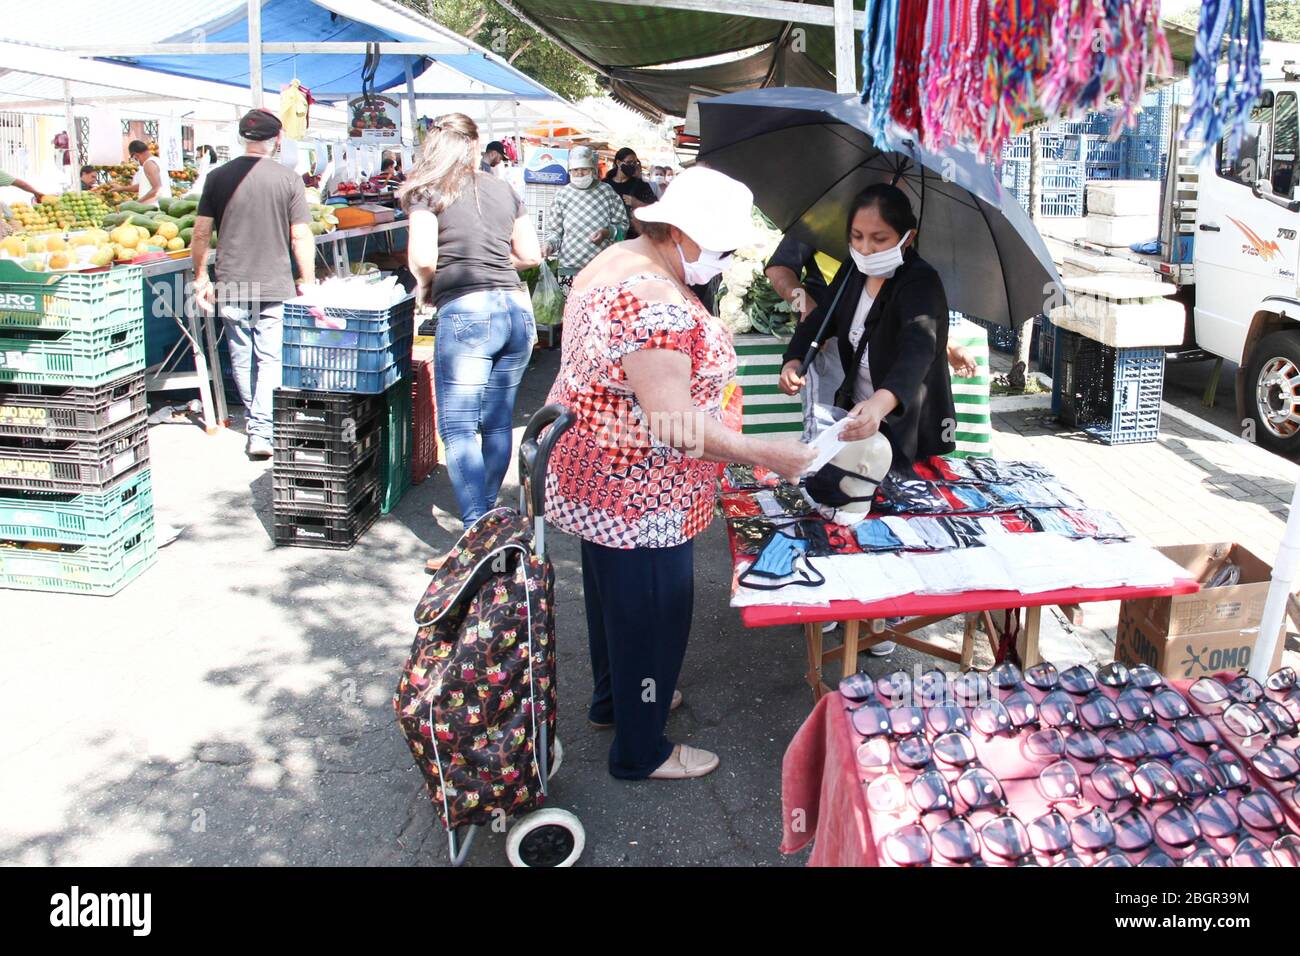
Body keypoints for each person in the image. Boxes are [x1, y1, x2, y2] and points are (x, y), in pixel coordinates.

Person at [545, 166, 816, 781]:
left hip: (600, 475)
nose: (719, 265)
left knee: (615, 603)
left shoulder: (619, 258)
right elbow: (673, 424)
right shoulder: (655, 301)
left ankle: (617, 703)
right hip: (642, 490)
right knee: (653, 612)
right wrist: (766, 452)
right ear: (683, 234)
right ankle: (641, 750)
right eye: (717, 250)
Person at [400, 113, 542, 528]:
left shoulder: (428, 191)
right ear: (476, 146)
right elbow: (531, 256)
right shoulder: (504, 189)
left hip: (468, 313)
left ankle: (476, 524)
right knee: (496, 422)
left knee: (459, 427)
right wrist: (494, 262)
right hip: (516, 309)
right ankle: (487, 517)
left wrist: (428, 283)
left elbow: (422, 258)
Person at [780, 183, 958, 471]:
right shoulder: (853, 269)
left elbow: (918, 350)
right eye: (857, 236)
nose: (865, 248)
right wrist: (793, 360)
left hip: (906, 427)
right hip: (860, 415)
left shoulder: (921, 282)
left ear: (907, 238)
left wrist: (880, 404)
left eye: (879, 238)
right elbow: (822, 316)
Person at [191, 109, 316, 461]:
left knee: (242, 354)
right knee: (271, 357)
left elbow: (201, 231)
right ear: (277, 140)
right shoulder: (288, 180)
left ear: (242, 138)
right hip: (275, 283)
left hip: (232, 281)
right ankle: (262, 431)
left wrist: (201, 275)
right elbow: (301, 235)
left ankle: (256, 423)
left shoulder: (217, 177)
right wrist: (307, 280)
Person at [542, 146, 627, 296]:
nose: (579, 173)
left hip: (602, 269)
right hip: (569, 269)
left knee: (597, 314)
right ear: (569, 171)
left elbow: (623, 226)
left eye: (584, 169)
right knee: (571, 315)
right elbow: (555, 231)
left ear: (593, 169)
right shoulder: (562, 195)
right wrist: (549, 245)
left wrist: (607, 232)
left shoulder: (607, 192)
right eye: (575, 170)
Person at [602, 147, 656, 237]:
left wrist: (637, 203)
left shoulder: (641, 185)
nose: (633, 165)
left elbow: (654, 209)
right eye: (629, 162)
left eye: (635, 162)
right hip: (608, 234)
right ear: (618, 163)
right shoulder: (605, 185)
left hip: (633, 236)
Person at [127, 139, 172, 206]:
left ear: (136, 155)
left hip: (154, 208)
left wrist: (137, 203)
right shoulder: (157, 161)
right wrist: (121, 188)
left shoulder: (148, 164)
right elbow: (145, 185)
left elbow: (157, 189)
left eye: (133, 158)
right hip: (162, 205)